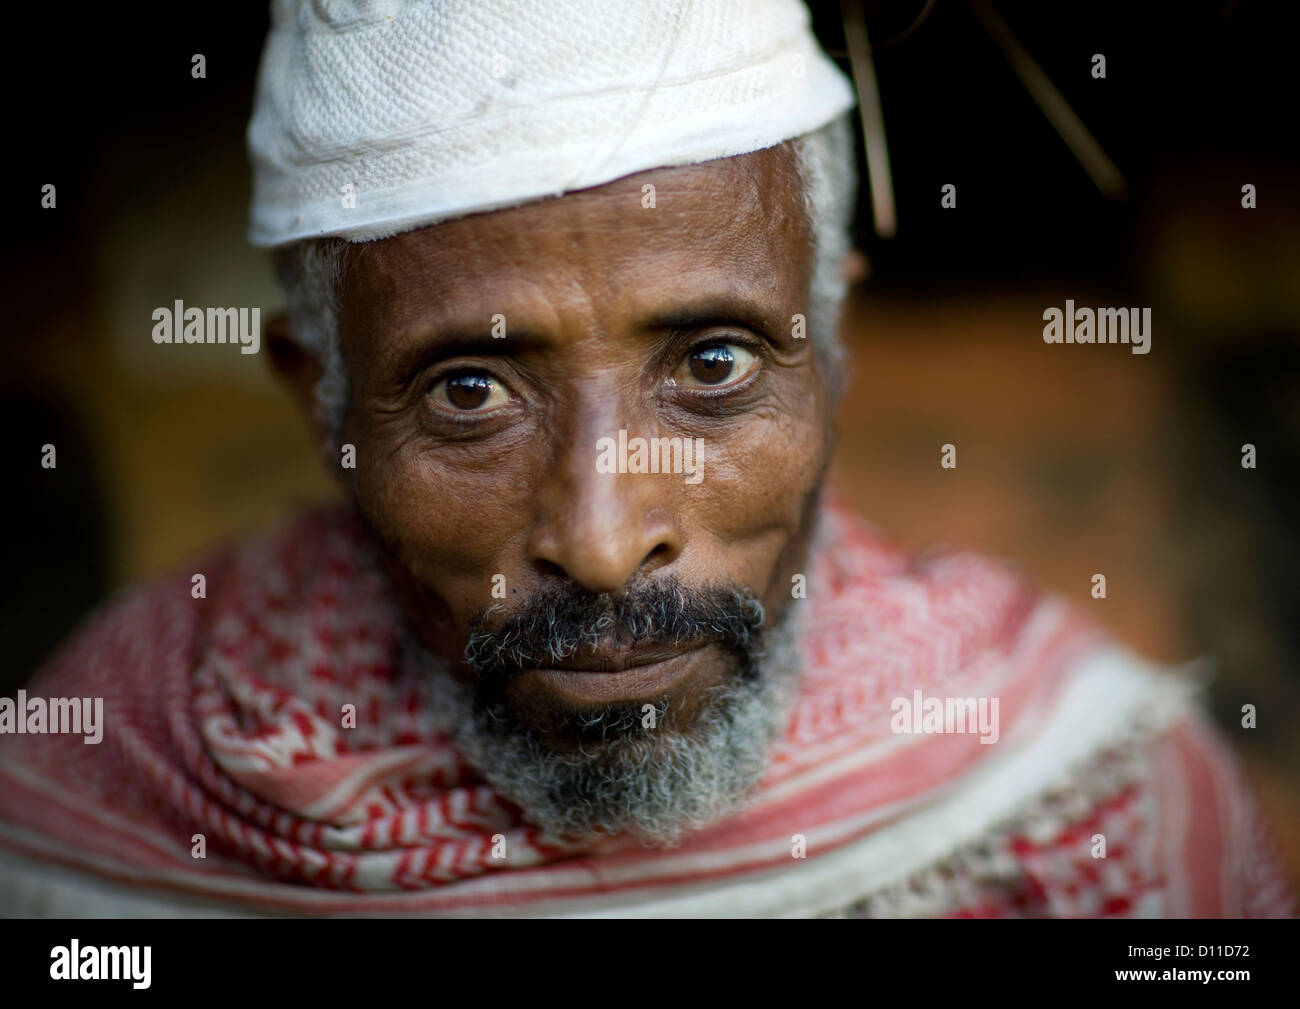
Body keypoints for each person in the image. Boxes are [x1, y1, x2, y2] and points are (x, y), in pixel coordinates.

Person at [0, 0, 1290, 917]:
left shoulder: (1081, 812)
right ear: (320, 405)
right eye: (469, 392)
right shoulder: (105, 794)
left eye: (713, 366)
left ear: (831, 352)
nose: (607, 538)